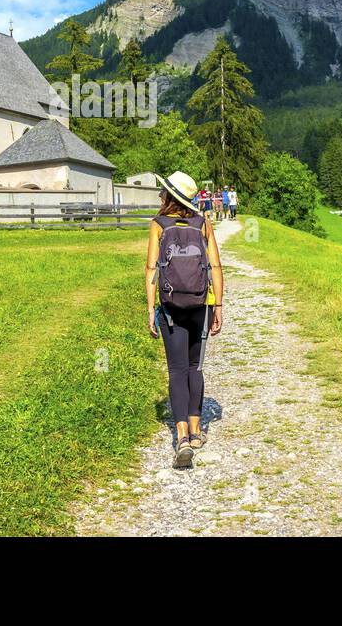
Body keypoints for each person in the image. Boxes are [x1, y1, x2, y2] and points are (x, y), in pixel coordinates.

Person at [147, 171, 224, 469]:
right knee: (195, 366)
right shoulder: (203, 223)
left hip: (169, 305)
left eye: (163, 191)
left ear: (169, 197)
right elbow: (215, 265)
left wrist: (149, 307)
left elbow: (151, 268)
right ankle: (196, 431)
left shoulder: (158, 225)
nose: (159, 196)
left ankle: (180, 437)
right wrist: (218, 304)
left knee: (177, 369)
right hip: (200, 305)